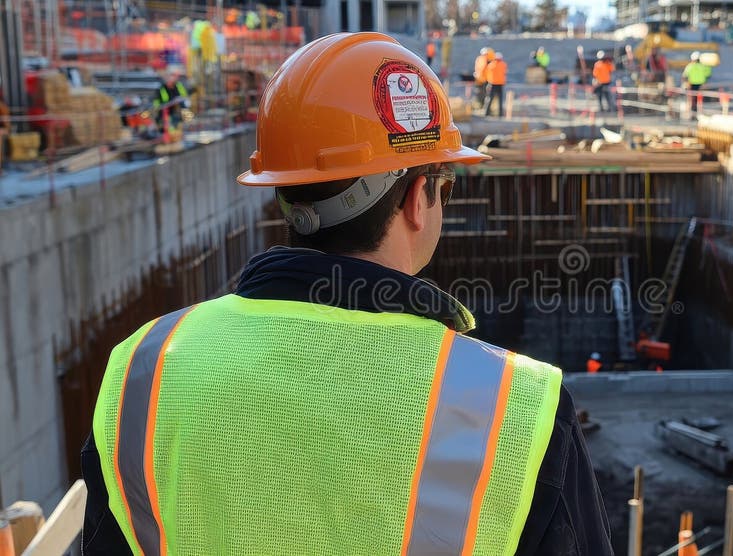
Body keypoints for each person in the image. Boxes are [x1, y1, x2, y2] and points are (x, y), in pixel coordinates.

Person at [79, 33, 612, 555]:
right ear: (418, 198)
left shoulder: (142, 371)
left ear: (282, 190)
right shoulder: (511, 408)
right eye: (444, 183)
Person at [152, 67, 189, 132]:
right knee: (167, 129)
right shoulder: (161, 88)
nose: (176, 78)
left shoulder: (178, 85)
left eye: (177, 76)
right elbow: (157, 102)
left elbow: (184, 96)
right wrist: (159, 107)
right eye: (173, 75)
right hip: (164, 113)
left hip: (177, 112)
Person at [484, 51, 508, 118]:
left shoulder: (491, 65)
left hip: (492, 84)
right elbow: (504, 73)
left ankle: (487, 113)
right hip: (500, 84)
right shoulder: (504, 65)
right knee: (500, 100)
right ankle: (500, 114)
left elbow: (487, 74)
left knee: (489, 99)